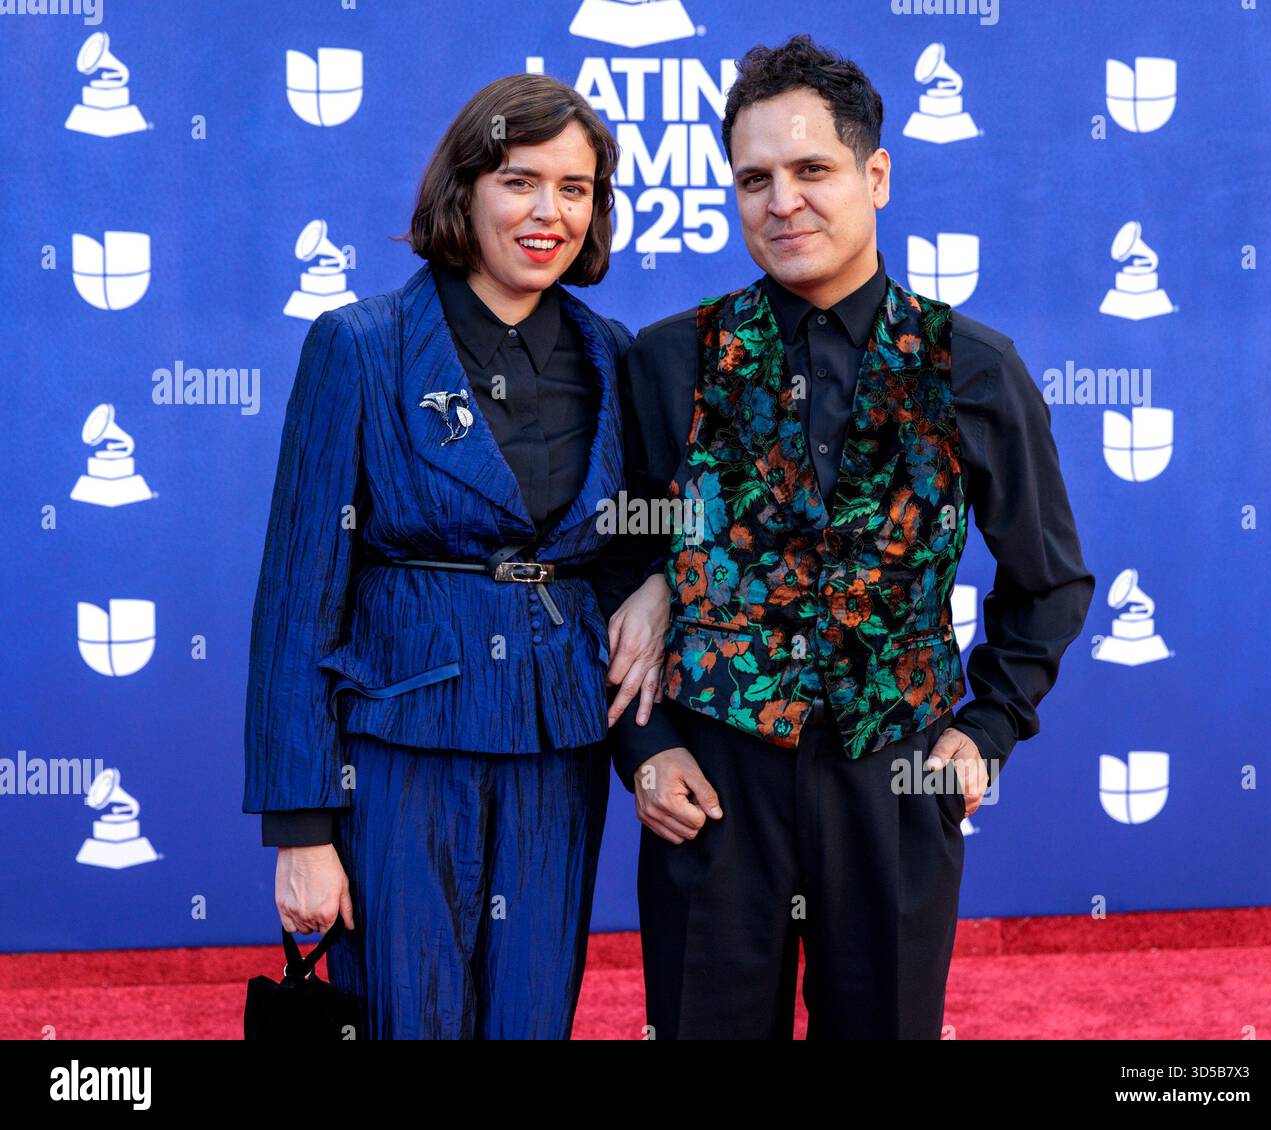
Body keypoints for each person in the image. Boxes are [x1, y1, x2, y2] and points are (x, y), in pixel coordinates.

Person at [610, 34, 1096, 1039]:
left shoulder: (973, 367)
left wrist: (986, 729)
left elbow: (1046, 578)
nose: (780, 200)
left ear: (874, 175)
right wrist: (646, 747)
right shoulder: (667, 361)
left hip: (895, 775)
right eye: (753, 178)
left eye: (811, 170)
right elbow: (617, 565)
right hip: (713, 779)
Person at [243, 72, 665, 1039]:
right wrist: (301, 832)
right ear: (465, 188)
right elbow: (298, 594)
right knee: (408, 1017)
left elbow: (638, 533)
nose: (548, 212)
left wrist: (665, 584)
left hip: (558, 741)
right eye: (521, 181)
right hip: (399, 741)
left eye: (576, 188)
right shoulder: (361, 345)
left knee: (529, 1018)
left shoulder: (614, 353)